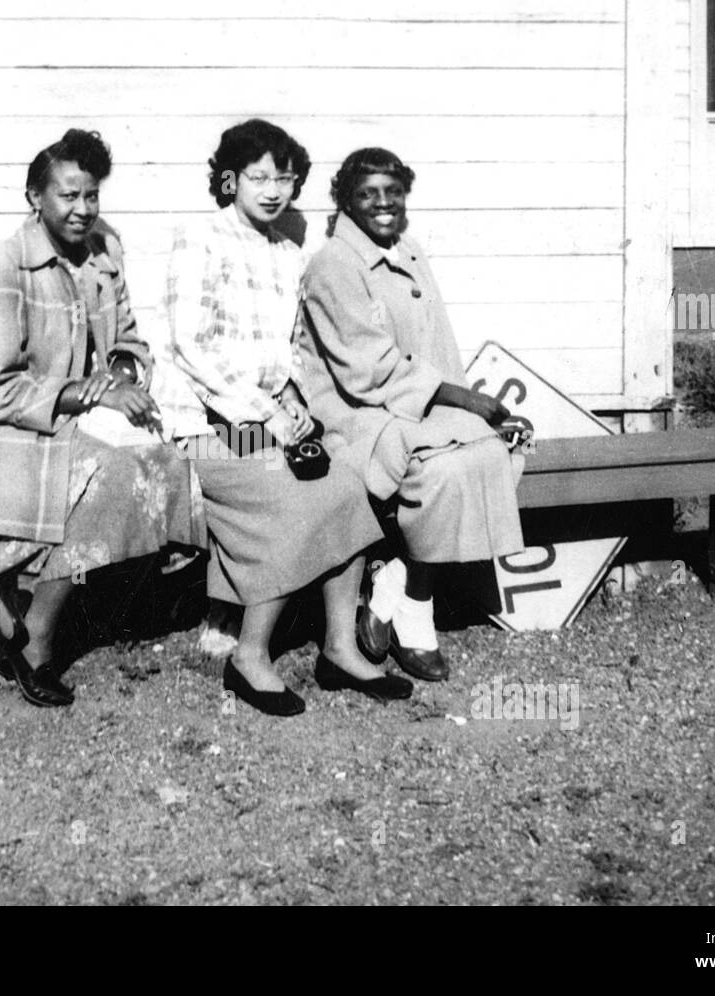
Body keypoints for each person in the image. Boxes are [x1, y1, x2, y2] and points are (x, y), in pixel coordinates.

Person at [152, 119, 410, 717]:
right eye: (258, 176)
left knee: (346, 481)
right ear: (230, 179)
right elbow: (193, 348)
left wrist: (293, 404)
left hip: (267, 418)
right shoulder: (200, 239)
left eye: (285, 178)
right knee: (287, 493)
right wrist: (266, 414)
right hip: (204, 425)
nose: (273, 189)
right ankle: (249, 657)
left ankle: (341, 648)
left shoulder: (288, 255)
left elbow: (290, 351)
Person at [0, 128, 201, 709]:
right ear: (35, 197)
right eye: (68, 196)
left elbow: (129, 339)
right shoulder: (5, 263)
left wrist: (123, 378)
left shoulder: (105, 249)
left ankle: (17, 617)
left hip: (82, 414)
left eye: (92, 196)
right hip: (10, 425)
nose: (83, 210)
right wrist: (88, 395)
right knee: (107, 478)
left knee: (163, 459)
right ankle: (34, 640)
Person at [297, 147, 526, 681]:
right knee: (443, 468)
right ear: (345, 203)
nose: (383, 204)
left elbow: (437, 345)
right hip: (356, 414)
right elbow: (365, 371)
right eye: (367, 194)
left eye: (393, 193)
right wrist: (462, 400)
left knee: (498, 448)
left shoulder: (410, 251)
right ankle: (417, 615)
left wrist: (469, 411)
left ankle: (395, 584)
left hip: (413, 404)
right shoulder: (334, 264)